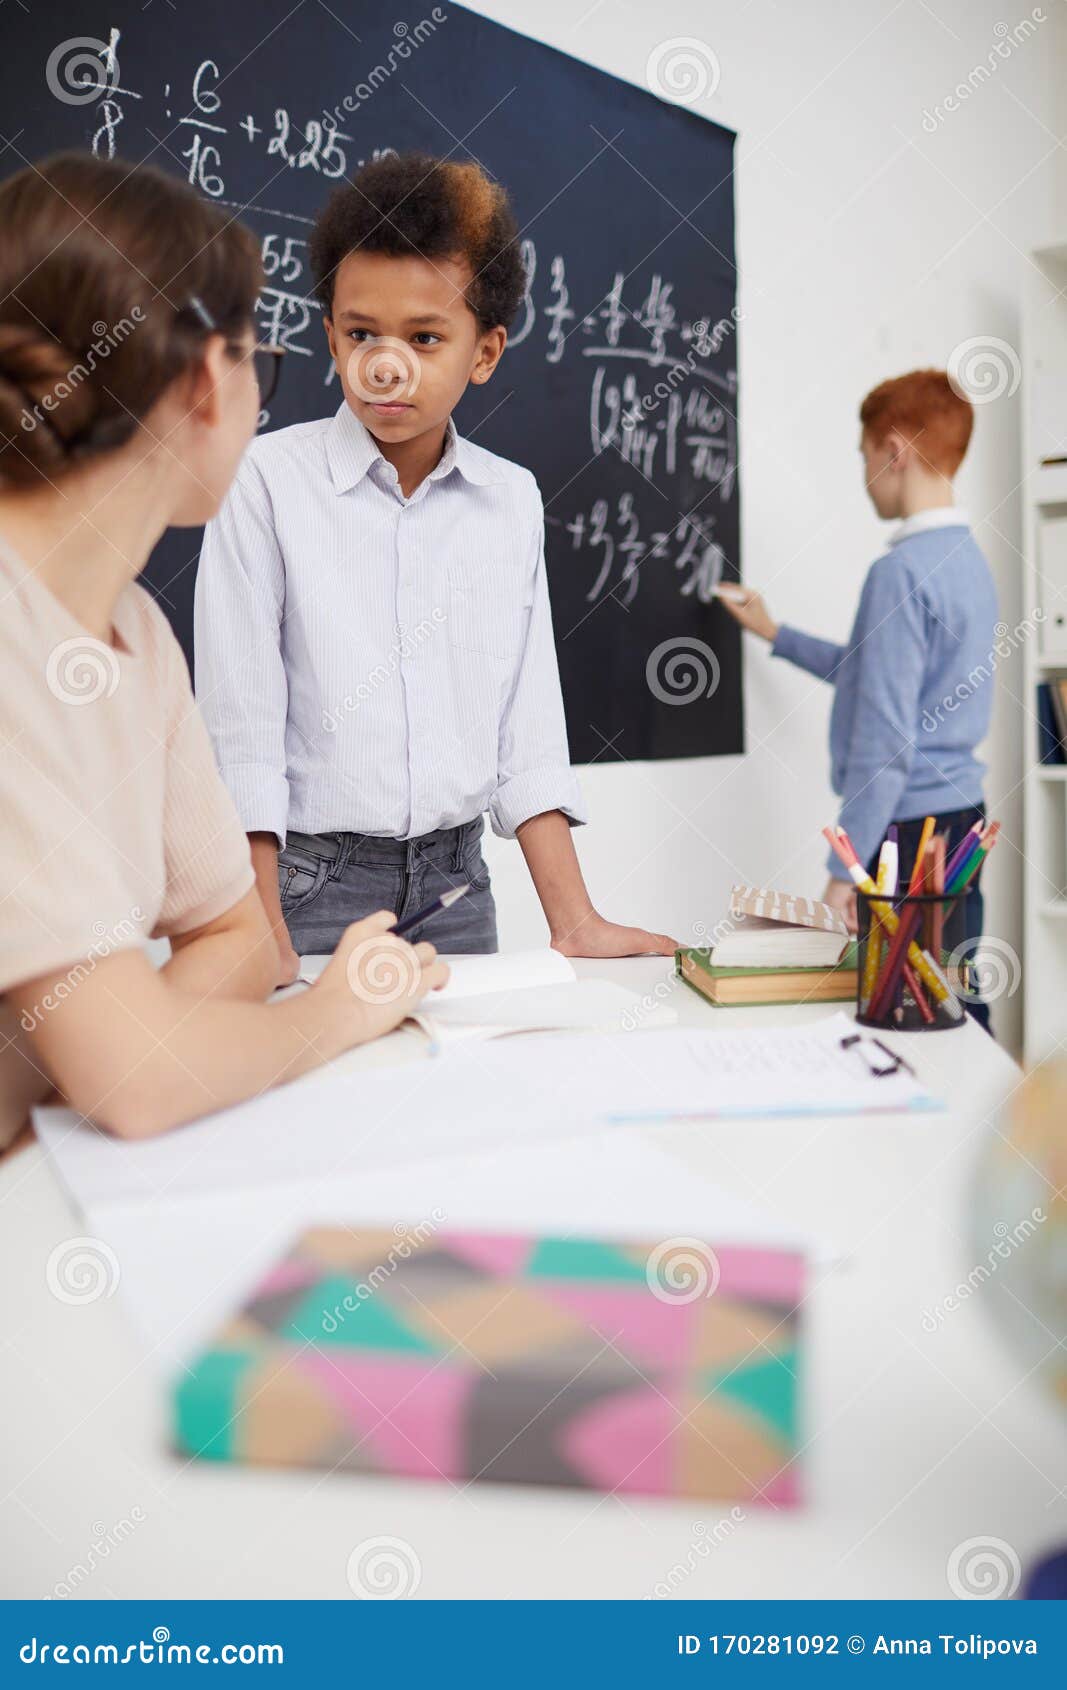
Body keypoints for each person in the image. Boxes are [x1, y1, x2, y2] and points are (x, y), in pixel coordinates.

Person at [0, 153, 447, 1151]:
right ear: (210, 379)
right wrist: (333, 1013)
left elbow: (235, 937)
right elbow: (137, 1082)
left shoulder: (135, 635)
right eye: (262, 363)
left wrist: (134, 1040)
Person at [194, 151, 677, 983]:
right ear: (330, 335)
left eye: (424, 338)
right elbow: (240, 733)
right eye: (361, 334)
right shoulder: (264, 482)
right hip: (306, 890)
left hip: (456, 893)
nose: (386, 366)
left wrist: (574, 922)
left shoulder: (509, 499)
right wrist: (260, 929)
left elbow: (526, 722)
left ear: (484, 352)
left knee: (464, 1072)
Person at [720, 370, 996, 1024]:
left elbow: (885, 740)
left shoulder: (898, 572)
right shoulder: (967, 559)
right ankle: (990, 1091)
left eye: (863, 456)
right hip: (958, 819)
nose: (864, 475)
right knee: (951, 995)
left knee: (902, 1008)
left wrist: (843, 869)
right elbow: (877, 673)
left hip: (906, 831)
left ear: (893, 452)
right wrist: (776, 634)